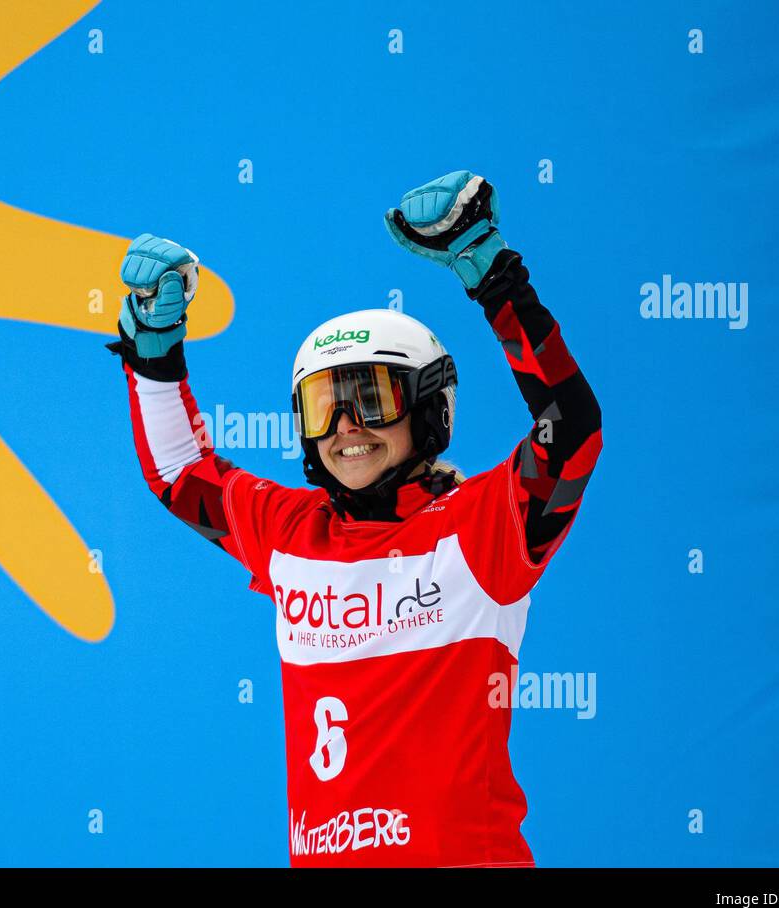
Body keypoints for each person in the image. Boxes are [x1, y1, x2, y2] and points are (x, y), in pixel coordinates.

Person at [106, 170, 602, 867]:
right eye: (323, 405)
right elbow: (180, 475)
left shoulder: (483, 527)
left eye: (371, 397)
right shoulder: (290, 533)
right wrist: (155, 356)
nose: (346, 427)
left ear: (429, 411)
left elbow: (570, 428)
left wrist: (492, 274)